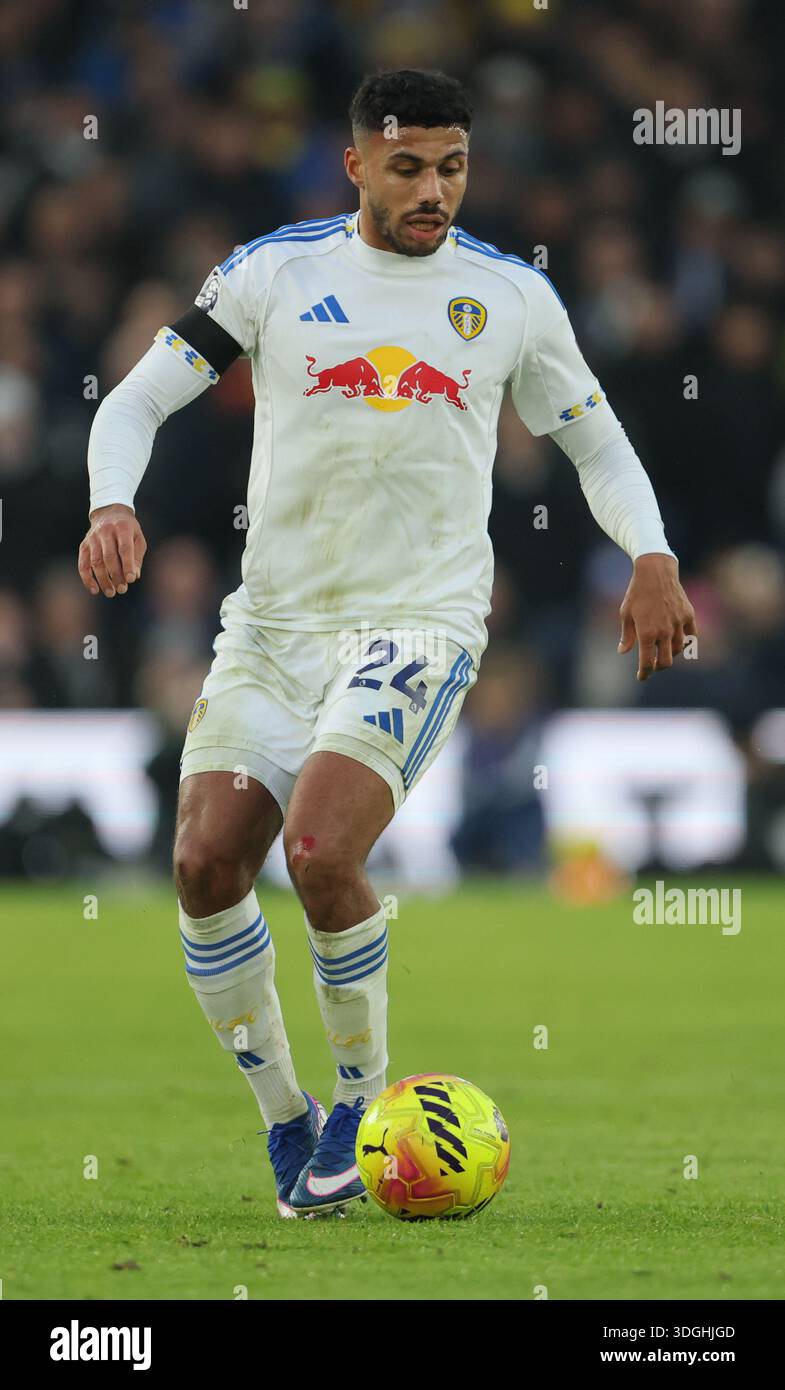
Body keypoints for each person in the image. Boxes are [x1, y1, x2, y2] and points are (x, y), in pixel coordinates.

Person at [79, 68, 695, 1217]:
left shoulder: (509, 297)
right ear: (355, 162)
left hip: (418, 621)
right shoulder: (273, 272)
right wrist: (114, 500)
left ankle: (363, 1101)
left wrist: (651, 555)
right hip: (271, 624)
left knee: (316, 853)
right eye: (407, 166)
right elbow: (132, 401)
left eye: (451, 166)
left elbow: (595, 445)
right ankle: (288, 1122)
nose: (432, 190)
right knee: (207, 864)